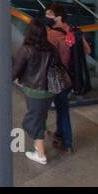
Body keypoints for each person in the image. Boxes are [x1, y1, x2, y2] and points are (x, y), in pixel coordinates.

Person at [12, 17, 68, 165]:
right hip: (49, 90)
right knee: (39, 117)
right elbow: (58, 67)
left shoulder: (26, 49)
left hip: (33, 90)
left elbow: (15, 71)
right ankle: (38, 148)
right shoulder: (51, 49)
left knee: (31, 121)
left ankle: (41, 154)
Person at [44, 3, 91, 153]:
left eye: (49, 15)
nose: (46, 17)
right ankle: (59, 134)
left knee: (60, 109)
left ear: (58, 17)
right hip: (72, 76)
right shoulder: (72, 31)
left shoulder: (52, 35)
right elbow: (88, 50)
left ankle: (67, 142)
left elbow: (48, 58)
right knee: (61, 106)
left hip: (59, 78)